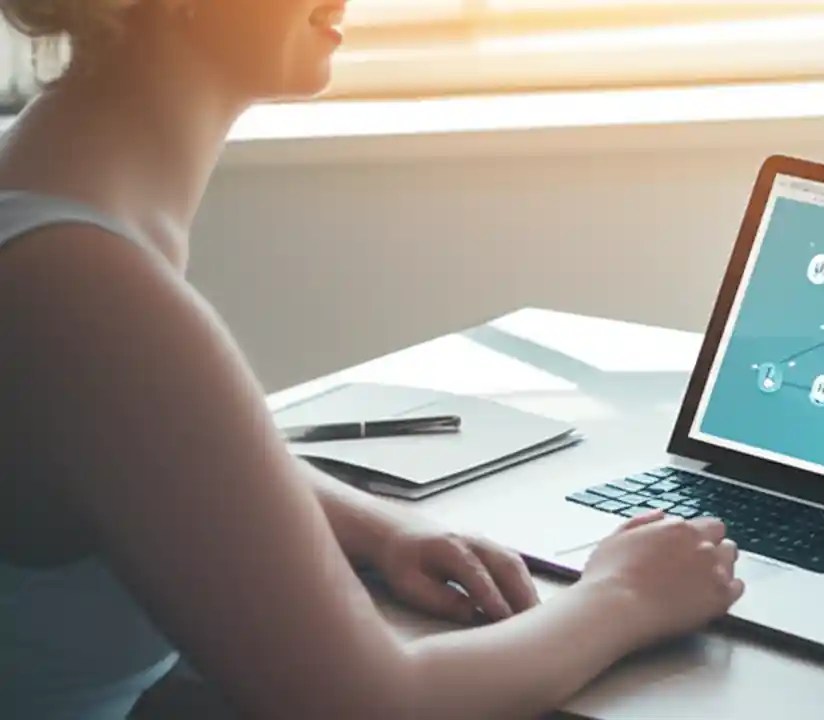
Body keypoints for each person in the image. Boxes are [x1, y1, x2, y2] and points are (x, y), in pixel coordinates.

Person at [0, 1, 744, 717]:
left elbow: (158, 453)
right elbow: (367, 704)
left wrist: (381, 528)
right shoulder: (89, 292)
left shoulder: (53, 201)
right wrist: (623, 598)